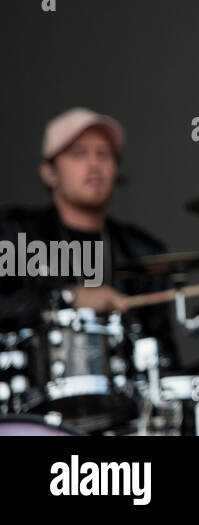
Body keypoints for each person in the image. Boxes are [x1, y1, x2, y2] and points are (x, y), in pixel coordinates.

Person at [0, 108, 180, 370]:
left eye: (103, 154)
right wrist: (66, 297)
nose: (94, 164)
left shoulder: (142, 252)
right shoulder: (14, 234)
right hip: (30, 402)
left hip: (126, 403)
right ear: (49, 172)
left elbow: (165, 355)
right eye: (78, 154)